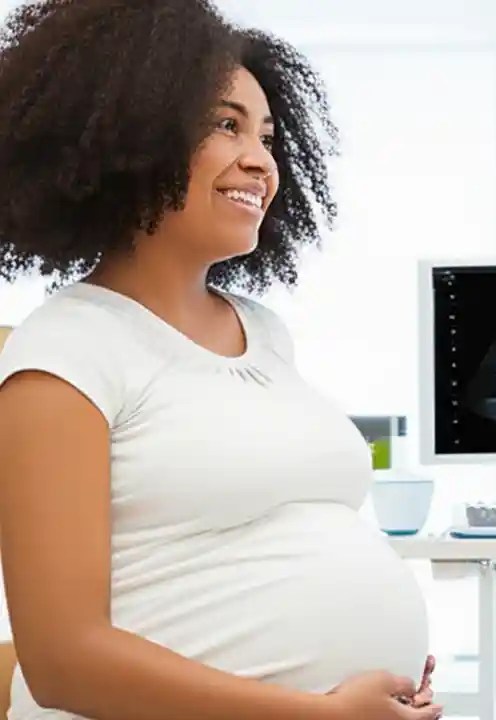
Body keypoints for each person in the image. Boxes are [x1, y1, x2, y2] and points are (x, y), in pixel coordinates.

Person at [0, 2, 439, 718]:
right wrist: (320, 715)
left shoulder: (265, 334)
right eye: (224, 125)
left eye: (266, 135)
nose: (260, 160)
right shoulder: (64, 354)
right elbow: (61, 661)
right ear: (129, 139)